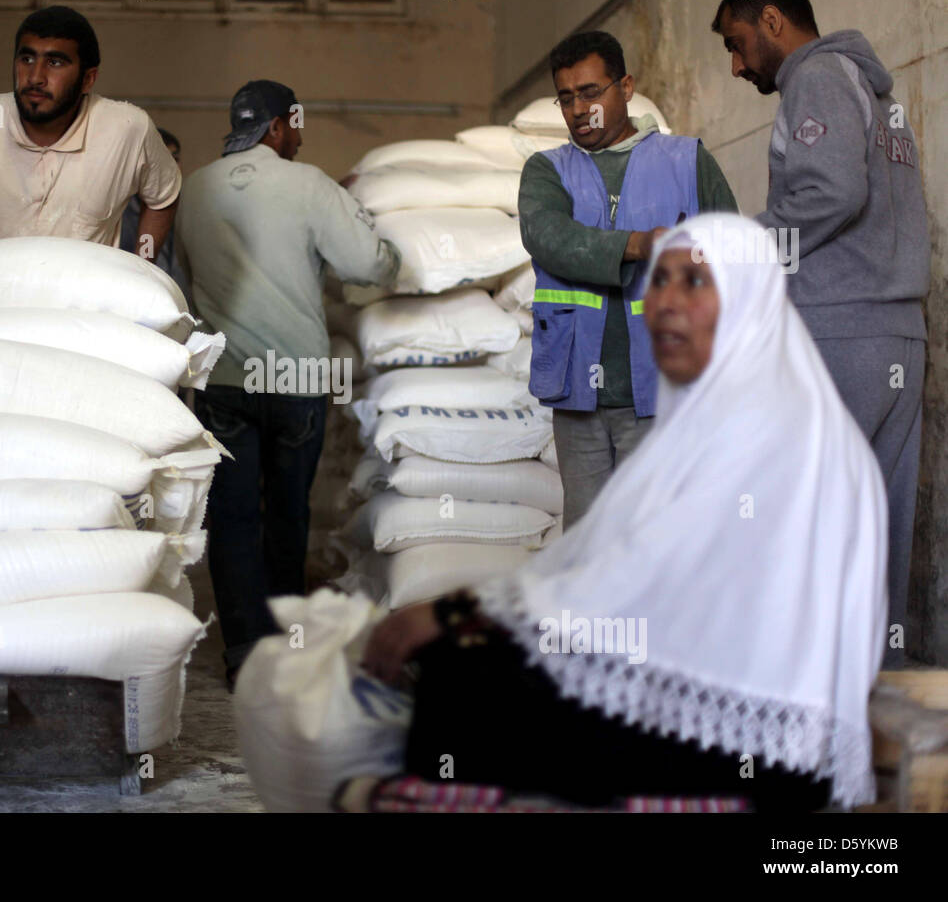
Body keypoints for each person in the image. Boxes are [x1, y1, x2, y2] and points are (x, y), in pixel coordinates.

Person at [360, 214, 887, 811]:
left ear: (749, 300)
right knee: (477, 663)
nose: (666, 302)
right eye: (659, 280)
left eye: (695, 282)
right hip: (720, 705)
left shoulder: (769, 426)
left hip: (756, 743)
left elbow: (641, 576)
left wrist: (459, 611)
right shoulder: (730, 414)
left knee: (463, 677)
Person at [712, 0, 929, 668]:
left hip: (841, 331)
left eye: (737, 43)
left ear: (773, 21)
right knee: (879, 523)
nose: (737, 65)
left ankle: (810, 694)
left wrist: (739, 245)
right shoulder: (871, 87)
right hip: (897, 333)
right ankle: (878, 691)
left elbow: (832, 191)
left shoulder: (816, 76)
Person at [176, 79, 400, 688]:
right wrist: (377, 245)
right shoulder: (310, 186)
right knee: (286, 516)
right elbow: (369, 263)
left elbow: (180, 282)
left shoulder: (194, 190)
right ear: (277, 127)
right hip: (295, 379)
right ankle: (287, 646)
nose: (299, 136)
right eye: (295, 125)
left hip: (224, 379)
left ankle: (244, 654)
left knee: (232, 517)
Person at [519, 31, 738, 528]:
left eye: (590, 92)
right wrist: (639, 244)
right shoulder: (547, 171)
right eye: (566, 98)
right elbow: (549, 237)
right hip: (580, 396)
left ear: (626, 88)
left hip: (664, 393)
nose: (579, 109)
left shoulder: (687, 162)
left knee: (659, 541)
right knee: (587, 543)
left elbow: (734, 261)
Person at [0, 6, 181, 254]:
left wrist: (143, 264)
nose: (35, 77)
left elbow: (162, 198)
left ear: (88, 79)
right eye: (26, 59)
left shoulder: (126, 129)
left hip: (82, 286)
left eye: (55, 62)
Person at [120, 127, 189, 300]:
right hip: (135, 299)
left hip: (180, 303)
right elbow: (145, 258)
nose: (171, 166)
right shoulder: (120, 212)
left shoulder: (188, 203)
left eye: (175, 158)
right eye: (164, 159)